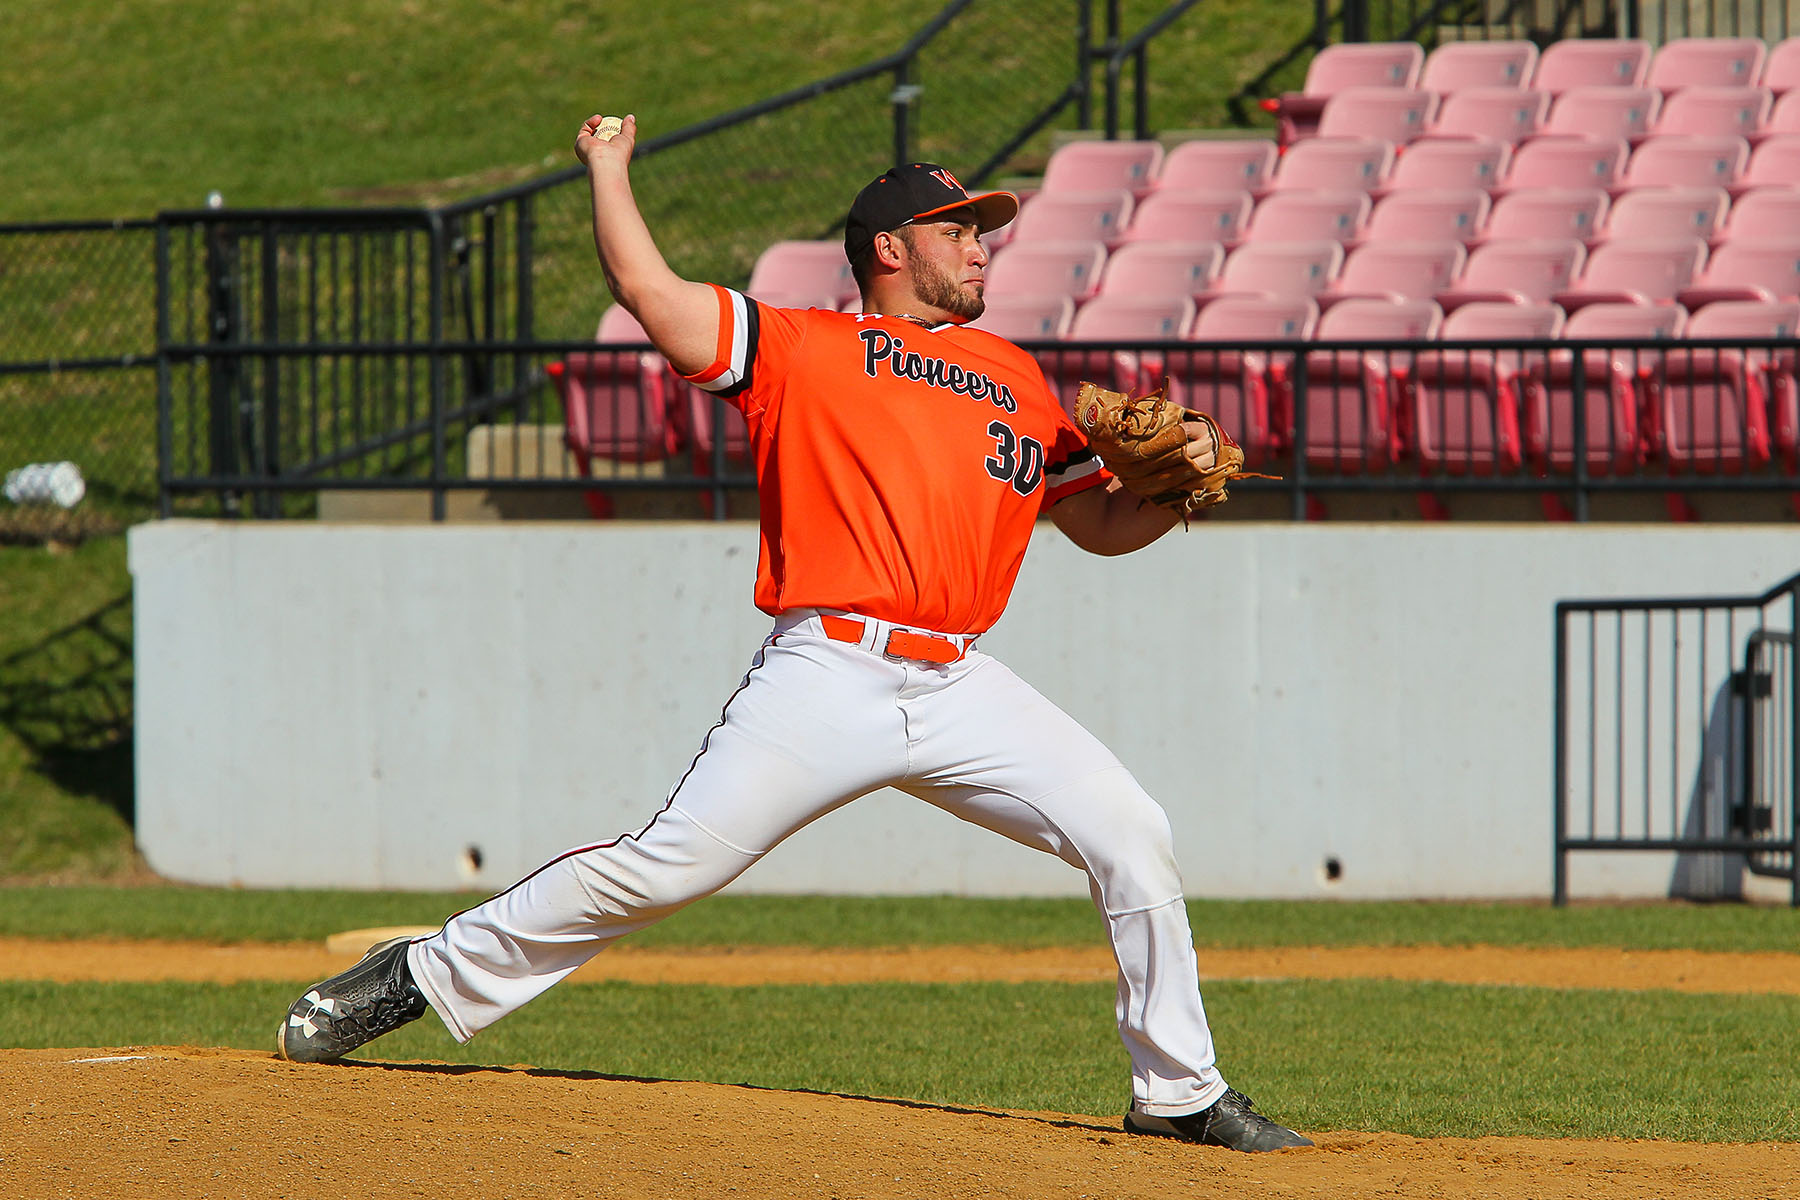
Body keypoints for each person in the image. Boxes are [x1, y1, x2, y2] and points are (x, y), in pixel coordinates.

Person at [275, 113, 1312, 1154]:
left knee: (1130, 830)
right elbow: (654, 297)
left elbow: (1093, 523)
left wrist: (1176, 497)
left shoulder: (1017, 379)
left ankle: (1177, 1089)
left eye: (981, 228)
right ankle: (417, 974)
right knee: (664, 868)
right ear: (890, 251)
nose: (981, 242)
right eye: (956, 228)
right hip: (829, 671)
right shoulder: (803, 348)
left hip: (959, 683)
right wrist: (607, 168)